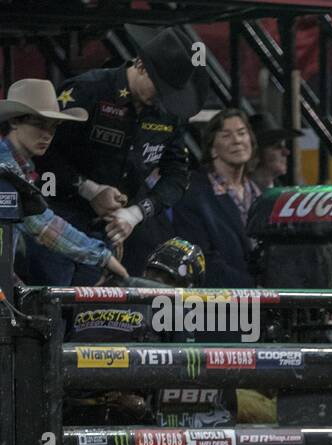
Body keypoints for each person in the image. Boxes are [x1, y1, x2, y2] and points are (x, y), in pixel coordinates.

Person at [28, 26, 205, 284]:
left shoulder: (168, 112)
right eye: (160, 88)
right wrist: (88, 189)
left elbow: (177, 175)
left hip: (110, 230)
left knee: (91, 312)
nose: (162, 99)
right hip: (56, 217)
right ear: (142, 66)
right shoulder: (88, 90)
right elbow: (42, 151)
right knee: (51, 309)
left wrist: (136, 213)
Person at [0, 79, 128, 284]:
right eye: (39, 124)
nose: (47, 135)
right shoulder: (5, 170)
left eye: (53, 127)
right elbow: (42, 224)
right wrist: (102, 257)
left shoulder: (16, 169)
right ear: (14, 121)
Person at [171, 109, 259, 288]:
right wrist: (254, 288)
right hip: (219, 304)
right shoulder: (193, 195)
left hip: (265, 302)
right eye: (226, 136)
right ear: (212, 149)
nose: (237, 141)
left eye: (242, 133)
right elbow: (202, 260)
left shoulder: (259, 194)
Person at [248, 113, 301, 190]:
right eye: (277, 146)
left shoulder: (282, 192)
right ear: (256, 153)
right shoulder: (237, 195)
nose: (286, 152)